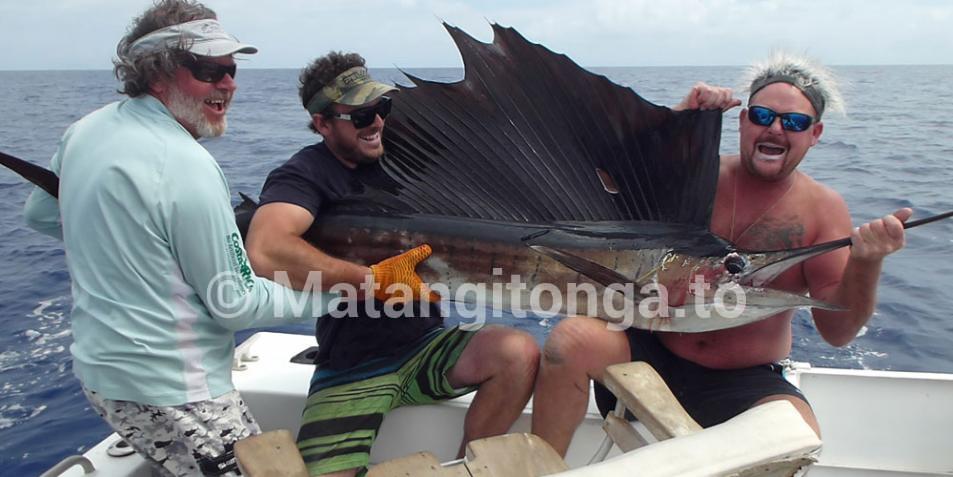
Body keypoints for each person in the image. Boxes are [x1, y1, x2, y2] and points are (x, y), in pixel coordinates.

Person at [531, 51, 912, 456]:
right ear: (744, 120)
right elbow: (607, 176)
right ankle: (536, 467)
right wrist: (677, 120)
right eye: (764, 115)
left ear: (814, 134)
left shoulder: (823, 209)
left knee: (796, 440)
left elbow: (837, 333)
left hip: (741, 380)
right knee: (569, 340)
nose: (777, 128)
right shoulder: (698, 176)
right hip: (651, 352)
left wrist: (867, 263)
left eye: (795, 122)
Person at [22, 1, 337, 475]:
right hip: (174, 390)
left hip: (101, 374)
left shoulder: (86, 130)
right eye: (209, 70)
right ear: (157, 74)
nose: (228, 84)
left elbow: (43, 214)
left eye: (230, 69)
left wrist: (130, 246)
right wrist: (338, 295)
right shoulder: (185, 164)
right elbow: (236, 303)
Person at [244, 52, 541, 477]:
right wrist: (371, 280)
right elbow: (267, 248)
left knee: (518, 351)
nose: (376, 123)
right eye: (361, 114)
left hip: (425, 347)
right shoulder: (304, 174)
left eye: (381, 108)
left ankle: (469, 468)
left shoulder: (408, 161)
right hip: (351, 364)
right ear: (322, 123)